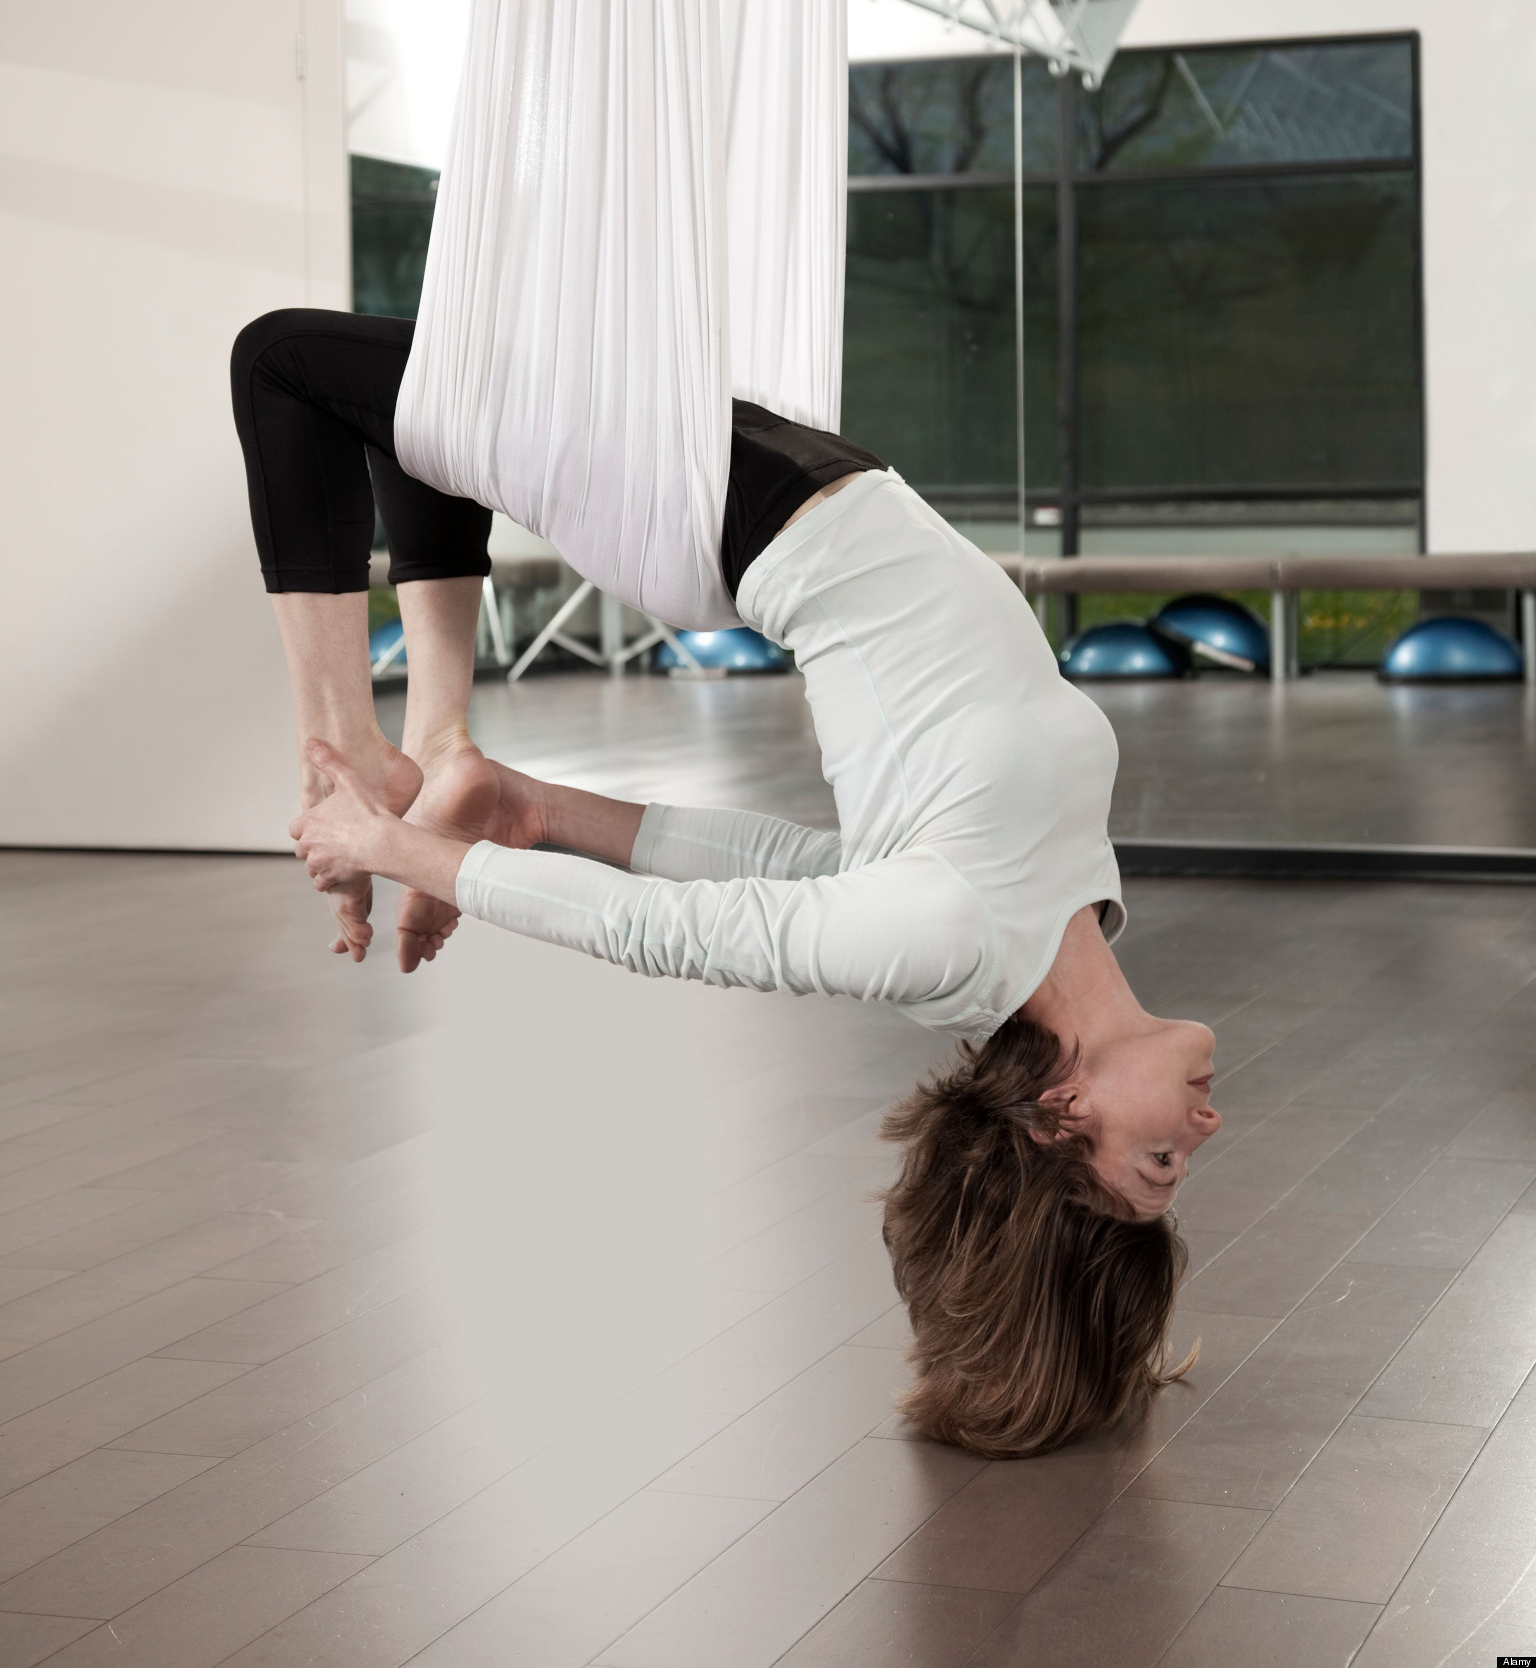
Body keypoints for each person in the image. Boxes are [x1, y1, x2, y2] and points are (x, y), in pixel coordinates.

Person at [231, 303, 1221, 1455]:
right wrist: (531, 807)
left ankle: (346, 744)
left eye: (1162, 1157)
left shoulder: (953, 941)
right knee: (442, 402)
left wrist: (397, 848)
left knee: (284, 361)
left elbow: (672, 929)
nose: (1204, 1123)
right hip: (796, 483)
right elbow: (781, 865)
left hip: (731, 511)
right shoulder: (1055, 924)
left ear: (1063, 1115)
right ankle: (449, 746)